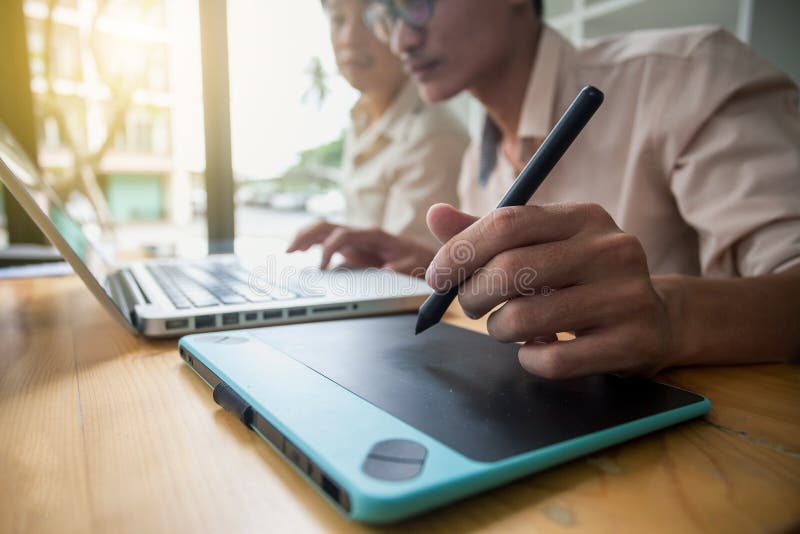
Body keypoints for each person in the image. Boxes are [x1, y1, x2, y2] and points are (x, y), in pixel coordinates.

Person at [290, 0, 800, 379]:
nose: (402, 40)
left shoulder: (686, 78)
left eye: (417, 4)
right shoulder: (477, 158)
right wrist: (434, 265)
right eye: (387, 18)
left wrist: (671, 317)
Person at [289, 0, 468, 252]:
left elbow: (412, 272)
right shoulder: (362, 118)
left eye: (371, 17)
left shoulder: (433, 137)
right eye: (338, 20)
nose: (350, 39)